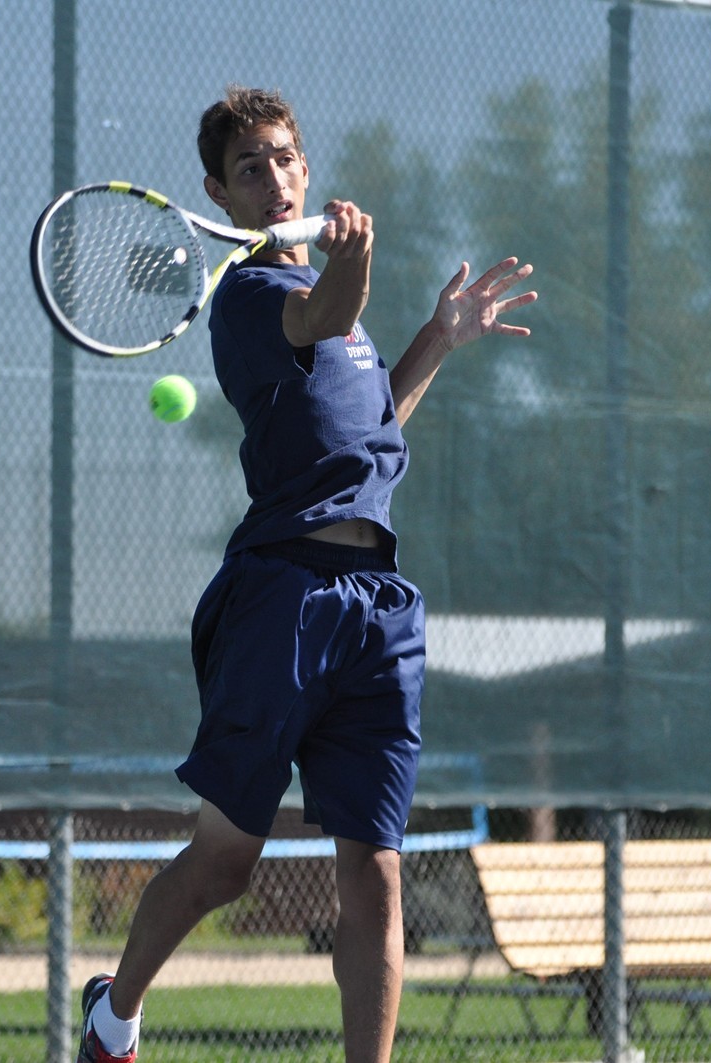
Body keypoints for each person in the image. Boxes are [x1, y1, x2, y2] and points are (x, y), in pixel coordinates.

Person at [77, 84, 537, 1063]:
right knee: (225, 864)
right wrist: (355, 263)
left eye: (284, 157)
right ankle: (114, 1016)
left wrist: (438, 337)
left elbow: (370, 432)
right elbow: (329, 308)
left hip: (380, 609)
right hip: (280, 600)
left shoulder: (338, 316)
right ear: (220, 191)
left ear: (304, 165)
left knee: (375, 869)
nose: (274, 176)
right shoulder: (250, 298)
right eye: (251, 168)